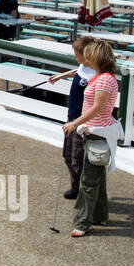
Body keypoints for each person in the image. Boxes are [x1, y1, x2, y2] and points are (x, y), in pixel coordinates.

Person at [61, 40, 120, 237]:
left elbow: (97, 108)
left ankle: (82, 222)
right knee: (97, 178)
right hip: (94, 131)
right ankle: (100, 216)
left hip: (97, 132)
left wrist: (74, 123)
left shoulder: (103, 80)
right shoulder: (102, 77)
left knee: (89, 180)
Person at [47, 36, 97, 198]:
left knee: (78, 158)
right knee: (68, 155)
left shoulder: (96, 74)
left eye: (77, 54)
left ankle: (83, 191)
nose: (75, 57)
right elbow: (78, 71)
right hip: (72, 118)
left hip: (81, 122)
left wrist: (77, 123)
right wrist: (61, 76)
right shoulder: (83, 67)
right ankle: (75, 186)